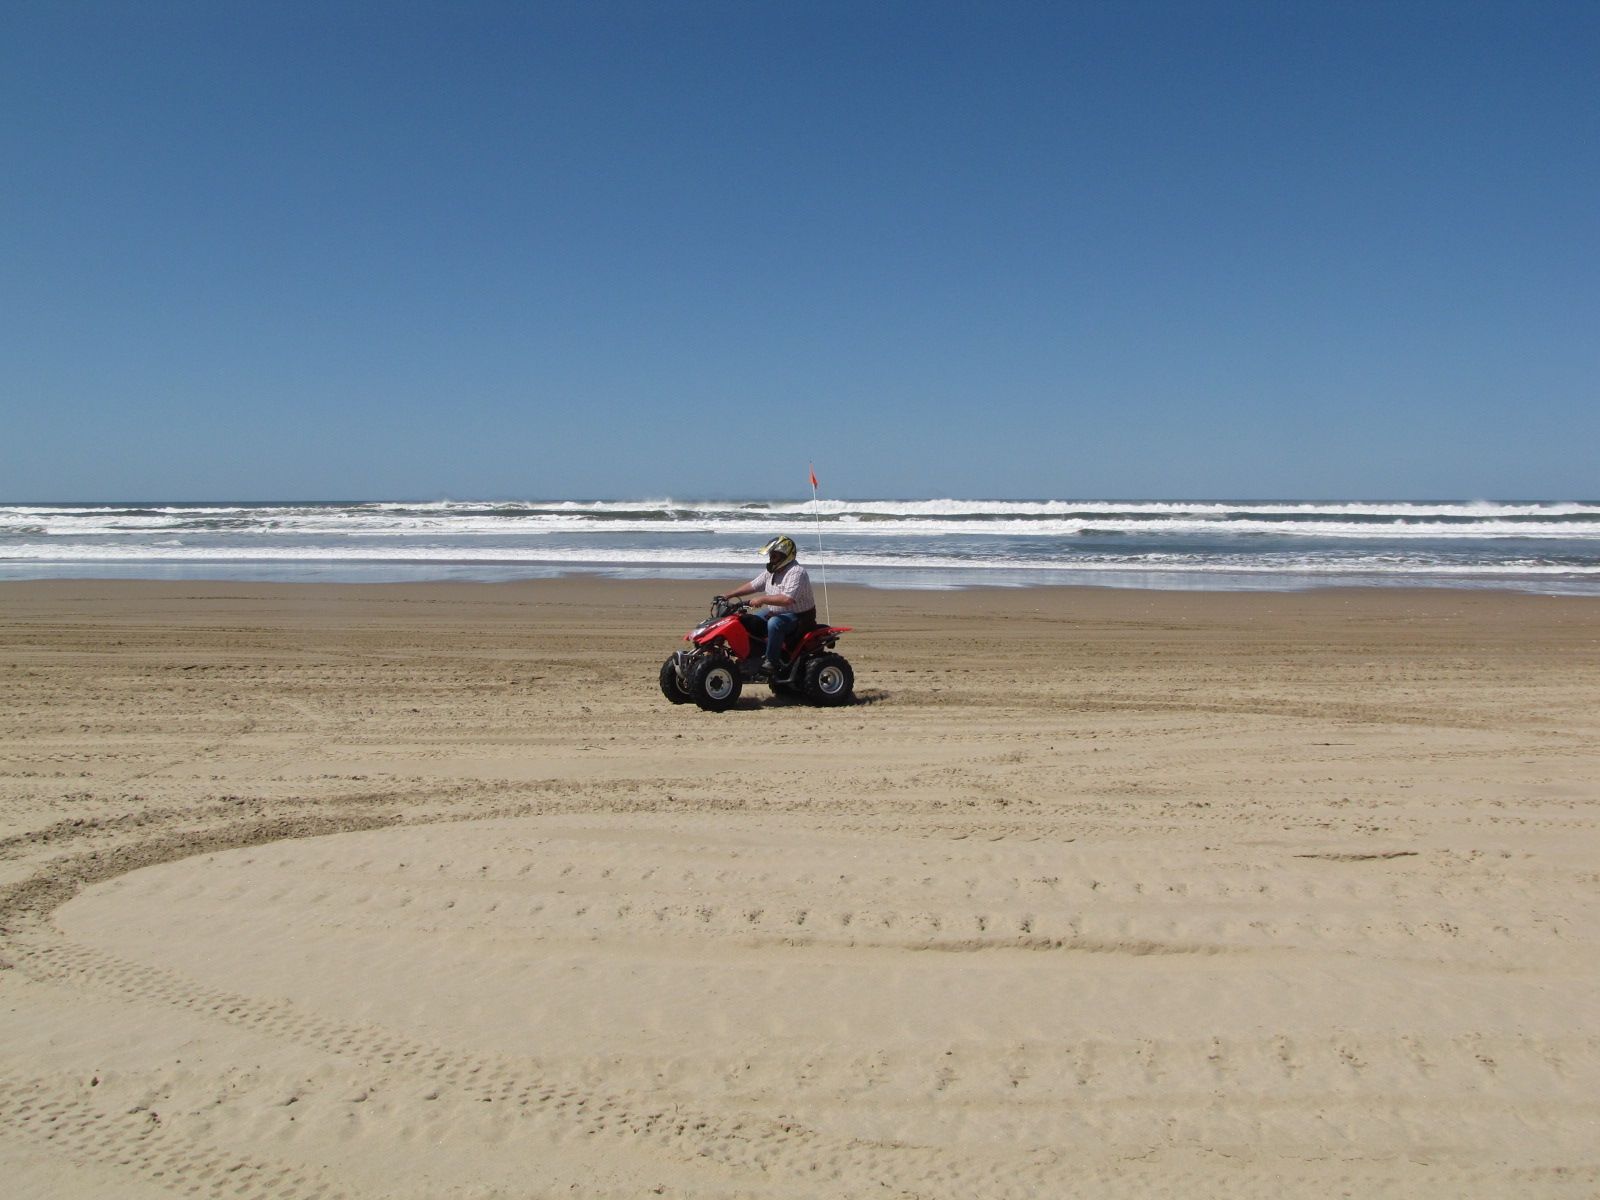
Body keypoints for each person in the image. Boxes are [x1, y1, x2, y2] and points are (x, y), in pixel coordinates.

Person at [720, 535, 817, 675]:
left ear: (785, 556)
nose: (771, 559)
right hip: (776, 612)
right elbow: (753, 585)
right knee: (747, 621)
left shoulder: (796, 572)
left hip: (800, 617)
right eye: (771, 555)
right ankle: (752, 657)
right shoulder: (772, 571)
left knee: (774, 624)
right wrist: (729, 595)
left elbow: (787, 599)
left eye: (775, 556)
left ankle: (771, 661)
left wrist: (763, 599)